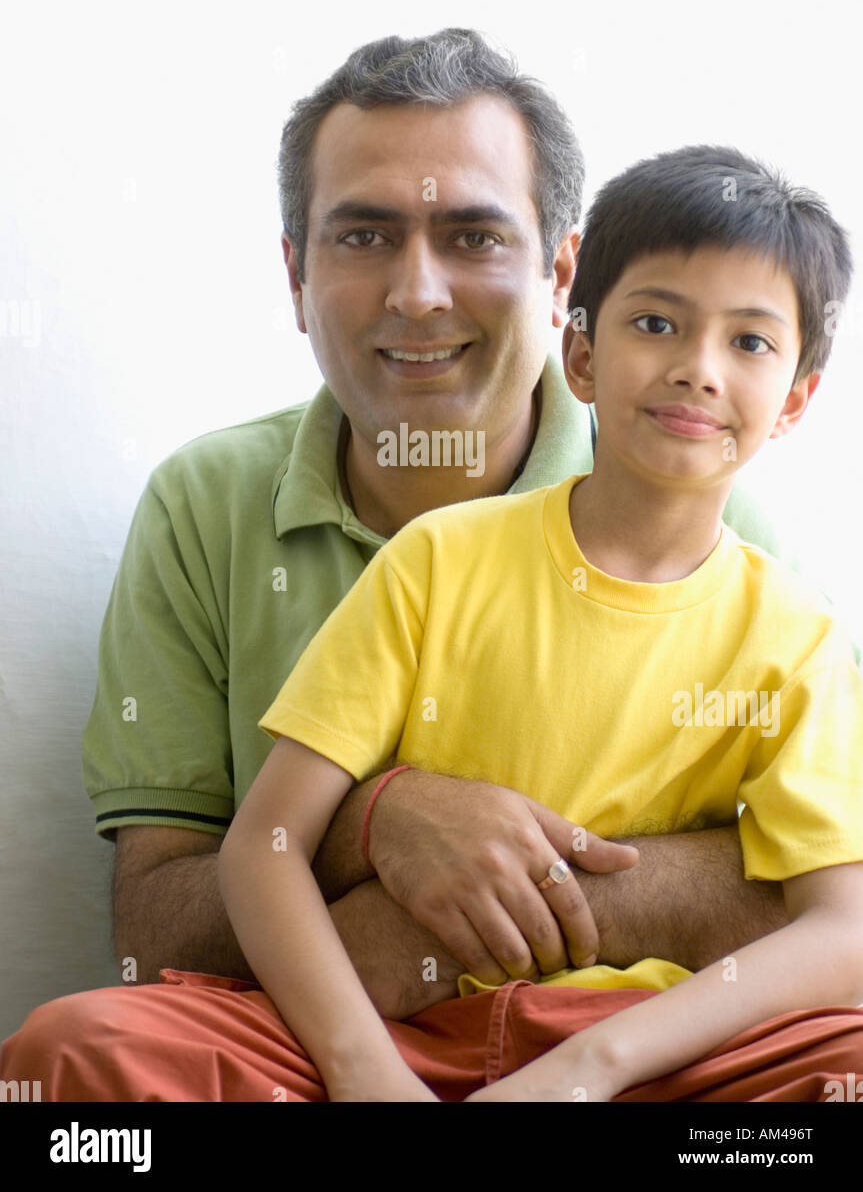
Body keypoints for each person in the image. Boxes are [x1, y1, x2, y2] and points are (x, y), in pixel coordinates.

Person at [0, 33, 824, 1100]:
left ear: (559, 276)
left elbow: (807, 905)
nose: (419, 291)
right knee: (76, 1058)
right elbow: (151, 930)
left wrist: (483, 906)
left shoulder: (723, 514)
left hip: (642, 1047)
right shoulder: (205, 506)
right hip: (312, 1038)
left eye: (473, 234)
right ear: (296, 276)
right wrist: (379, 823)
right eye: (364, 236)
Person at [219, 143, 863, 1103]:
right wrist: (366, 1078)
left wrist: (588, 1068)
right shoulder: (440, 559)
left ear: (795, 402)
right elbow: (260, 851)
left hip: (647, 1054)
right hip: (386, 1027)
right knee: (85, 1044)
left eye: (749, 343)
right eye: (656, 323)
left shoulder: (794, 633)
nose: (696, 370)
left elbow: (842, 927)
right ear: (583, 356)